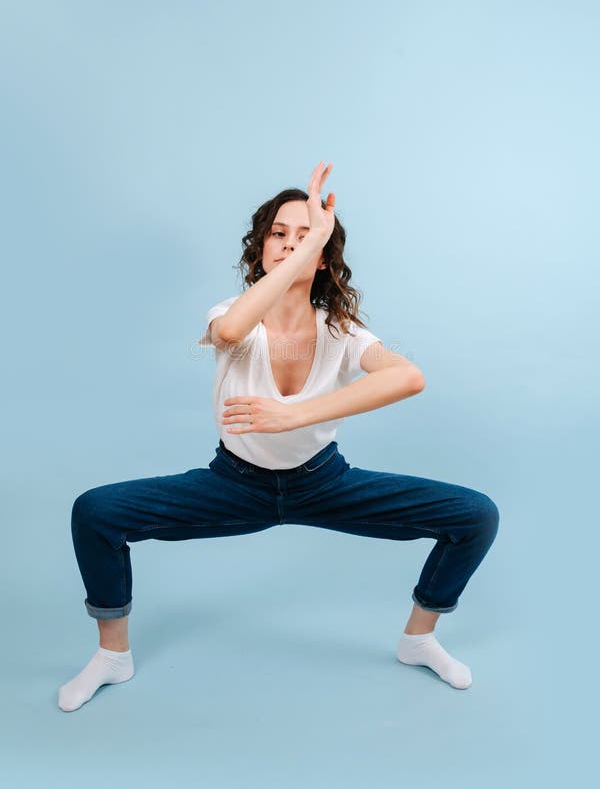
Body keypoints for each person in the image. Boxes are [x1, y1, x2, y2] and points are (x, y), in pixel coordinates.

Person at [58, 161, 499, 711]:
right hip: (234, 485)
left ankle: (419, 640)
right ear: (262, 248)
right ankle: (112, 656)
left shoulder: (342, 331)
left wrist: (296, 415)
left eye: (305, 236)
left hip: (324, 483)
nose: (289, 245)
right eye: (278, 234)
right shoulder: (230, 312)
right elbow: (231, 331)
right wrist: (306, 246)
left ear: (324, 257)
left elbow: (408, 377)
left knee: (475, 515)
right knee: (95, 513)